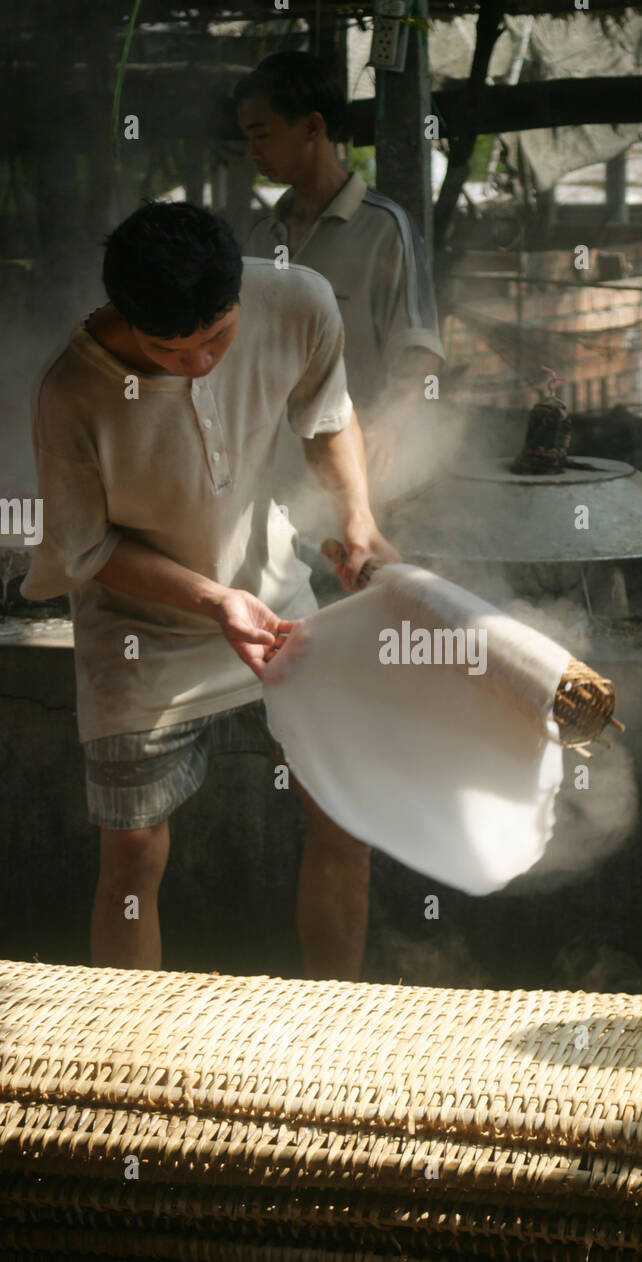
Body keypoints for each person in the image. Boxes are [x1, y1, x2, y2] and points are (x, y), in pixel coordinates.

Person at [21, 199, 398, 978]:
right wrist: (211, 599)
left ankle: (337, 1020)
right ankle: (127, 1070)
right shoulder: (71, 393)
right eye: (169, 350)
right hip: (138, 635)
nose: (198, 364)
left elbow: (327, 419)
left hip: (278, 604)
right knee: (132, 852)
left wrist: (357, 517)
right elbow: (87, 548)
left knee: (345, 813)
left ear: (240, 297)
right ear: (126, 316)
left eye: (216, 339)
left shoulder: (299, 301)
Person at [234, 50, 444, 514]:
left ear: (312, 127)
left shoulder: (386, 228)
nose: (253, 153)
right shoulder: (261, 237)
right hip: (274, 471)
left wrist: (387, 425)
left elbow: (419, 349)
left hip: (362, 467)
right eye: (248, 138)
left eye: (261, 135)